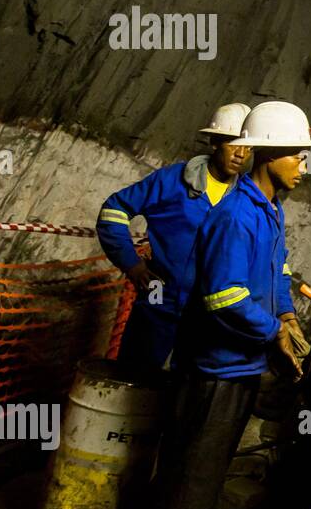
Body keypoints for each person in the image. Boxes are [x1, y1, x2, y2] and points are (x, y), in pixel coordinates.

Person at [122, 100, 311, 509]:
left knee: (203, 477)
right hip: (213, 369)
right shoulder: (237, 216)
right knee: (187, 480)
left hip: (238, 367)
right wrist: (270, 332)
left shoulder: (269, 211)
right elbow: (224, 297)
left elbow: (275, 272)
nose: (304, 165)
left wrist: (287, 314)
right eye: (298, 155)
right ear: (269, 154)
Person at [97, 103, 252, 373]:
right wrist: (131, 264)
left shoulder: (247, 199)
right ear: (215, 142)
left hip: (209, 313)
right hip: (160, 298)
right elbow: (114, 210)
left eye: (249, 147)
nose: (241, 153)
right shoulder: (172, 181)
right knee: (133, 378)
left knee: (186, 392)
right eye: (232, 143)